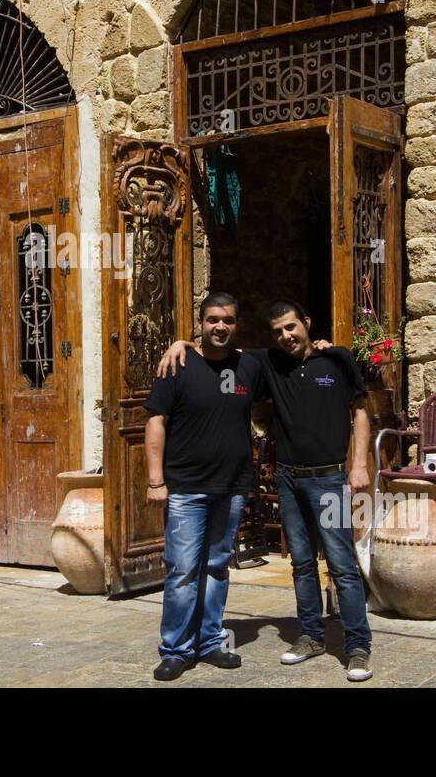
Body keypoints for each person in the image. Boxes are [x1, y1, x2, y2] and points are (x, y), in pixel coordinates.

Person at [158, 299, 374, 682]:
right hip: (289, 479)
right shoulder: (269, 364)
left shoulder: (338, 359)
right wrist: (184, 344)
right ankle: (310, 636)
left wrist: (359, 466)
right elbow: (222, 347)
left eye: (291, 327)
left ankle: (358, 646)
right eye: (278, 332)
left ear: (306, 323)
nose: (286, 336)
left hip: (331, 479)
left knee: (342, 564)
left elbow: (359, 411)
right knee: (302, 564)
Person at [144, 291, 263, 682]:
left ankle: (211, 641)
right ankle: (176, 649)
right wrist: (155, 480)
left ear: (236, 324)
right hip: (186, 489)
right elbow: (156, 421)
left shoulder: (248, 365)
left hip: (231, 487)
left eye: (227, 320)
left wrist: (323, 348)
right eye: (213, 319)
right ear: (200, 323)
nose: (220, 326)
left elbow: (293, 357)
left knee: (216, 567)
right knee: (181, 570)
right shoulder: (177, 365)